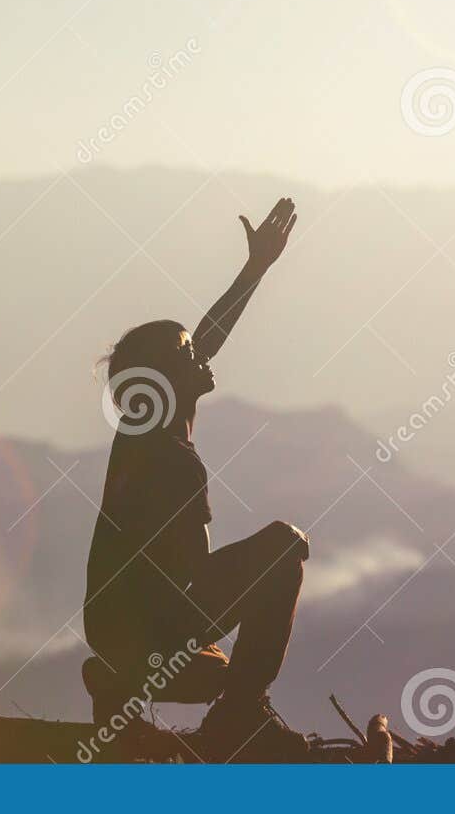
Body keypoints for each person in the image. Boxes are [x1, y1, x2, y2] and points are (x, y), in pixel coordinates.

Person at [82, 197, 309, 757]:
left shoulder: (143, 428)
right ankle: (238, 718)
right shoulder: (174, 464)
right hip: (144, 627)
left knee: (221, 671)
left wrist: (255, 269)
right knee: (284, 547)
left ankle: (120, 685)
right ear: (169, 378)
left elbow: (200, 341)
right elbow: (190, 579)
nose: (203, 354)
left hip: (112, 628)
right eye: (188, 353)